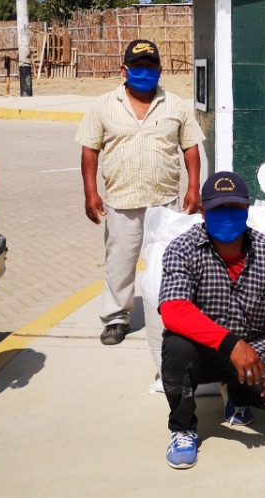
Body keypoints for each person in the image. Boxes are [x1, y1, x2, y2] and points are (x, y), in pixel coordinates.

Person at [157, 171, 265, 469]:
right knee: (176, 350)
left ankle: (237, 392)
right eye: (218, 209)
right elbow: (173, 308)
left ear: (246, 210)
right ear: (203, 212)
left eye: (234, 209)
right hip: (203, 351)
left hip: (256, 350)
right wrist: (229, 343)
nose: (227, 216)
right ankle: (183, 427)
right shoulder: (183, 250)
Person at [76, 39, 204, 346]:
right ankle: (116, 318)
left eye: (149, 66)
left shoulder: (175, 105)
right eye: (137, 66)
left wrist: (194, 186)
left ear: (160, 70)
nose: (143, 71)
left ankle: (173, 313)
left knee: (170, 261)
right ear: (124, 69)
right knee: (120, 261)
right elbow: (90, 150)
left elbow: (191, 148)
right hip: (122, 200)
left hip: (165, 200)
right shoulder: (104, 105)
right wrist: (90, 193)